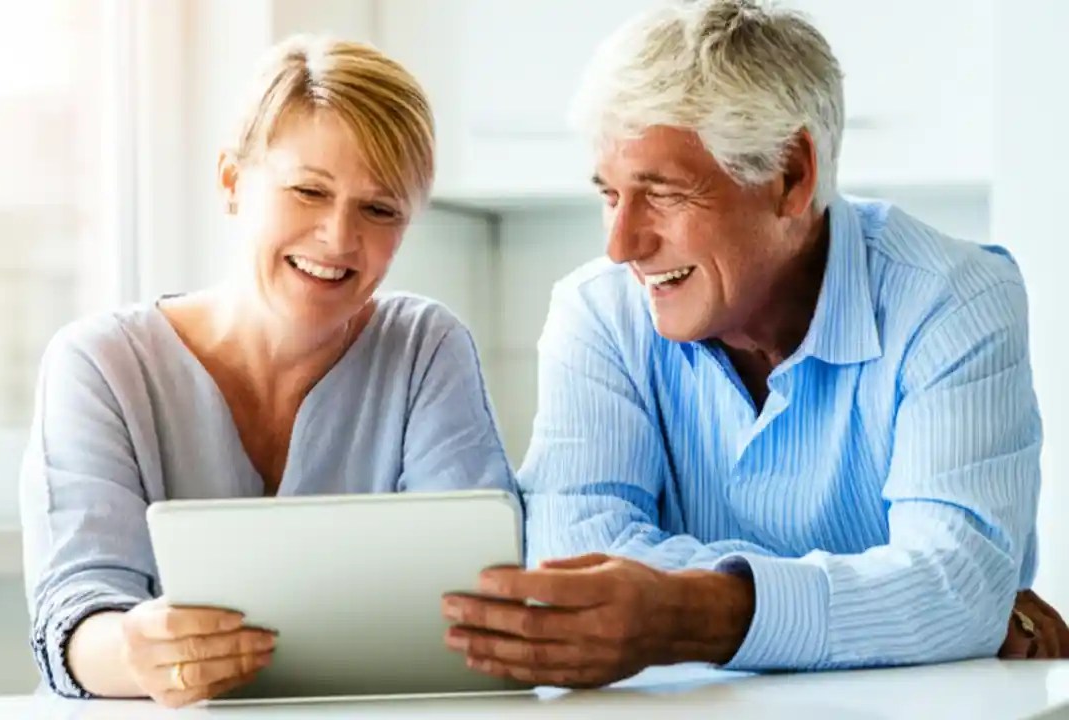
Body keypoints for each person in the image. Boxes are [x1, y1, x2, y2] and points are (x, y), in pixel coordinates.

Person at [442, 0, 1067, 686]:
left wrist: (686, 615)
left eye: (663, 193)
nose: (621, 246)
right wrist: (897, 599)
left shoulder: (953, 299)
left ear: (790, 175)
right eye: (610, 195)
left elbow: (954, 582)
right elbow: (572, 566)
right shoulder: (598, 313)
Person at [20, 35, 513, 707]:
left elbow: (477, 601)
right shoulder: (100, 364)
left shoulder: (424, 349)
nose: (339, 237)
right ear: (232, 182)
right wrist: (137, 652)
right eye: (309, 191)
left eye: (379, 209)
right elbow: (75, 613)